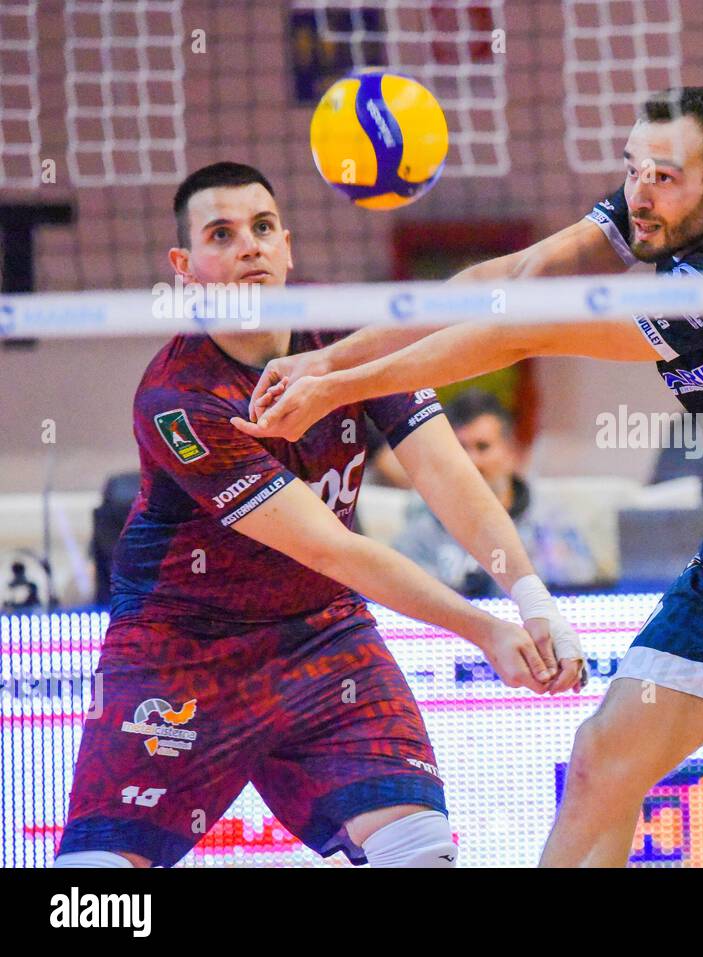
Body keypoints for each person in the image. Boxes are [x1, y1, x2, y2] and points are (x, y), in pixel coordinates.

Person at [236, 88, 703, 867]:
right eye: (633, 170)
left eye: (664, 178)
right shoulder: (673, 205)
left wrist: (338, 388)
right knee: (602, 763)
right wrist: (328, 356)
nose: (640, 194)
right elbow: (516, 275)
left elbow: (525, 327)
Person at [53, 162, 584, 870]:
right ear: (185, 266)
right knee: (92, 890)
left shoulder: (344, 337)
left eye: (264, 228)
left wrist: (530, 594)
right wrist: (484, 627)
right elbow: (333, 549)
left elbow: (445, 471)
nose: (250, 246)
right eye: (223, 233)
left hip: (321, 637)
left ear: (289, 247)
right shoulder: (178, 399)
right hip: (182, 653)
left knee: (420, 851)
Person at [393, 389, 601, 596]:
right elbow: (403, 595)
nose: (472, 462)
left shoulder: (549, 518)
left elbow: (583, 582)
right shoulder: (423, 523)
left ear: (511, 452)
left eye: (482, 447)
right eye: (460, 449)